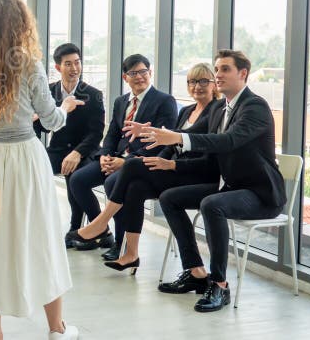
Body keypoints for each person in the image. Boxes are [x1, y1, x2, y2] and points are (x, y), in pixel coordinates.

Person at [0, 0, 83, 340]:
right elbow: (52, 120)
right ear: (20, 25)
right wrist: (65, 104)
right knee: (41, 238)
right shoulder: (26, 63)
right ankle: (56, 328)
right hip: (24, 158)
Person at [138, 50, 286, 312]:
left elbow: (228, 141)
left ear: (243, 74)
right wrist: (160, 135)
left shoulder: (255, 107)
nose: (218, 74)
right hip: (230, 187)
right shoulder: (220, 108)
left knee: (211, 204)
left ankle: (219, 284)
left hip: (259, 193)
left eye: (225, 69)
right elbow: (190, 137)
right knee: (169, 198)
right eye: (216, 69)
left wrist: (175, 138)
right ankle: (195, 272)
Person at [71, 63, 222, 273]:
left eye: (203, 81)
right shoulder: (187, 110)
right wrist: (158, 162)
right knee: (135, 187)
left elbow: (191, 142)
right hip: (171, 167)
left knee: (132, 165)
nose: (197, 86)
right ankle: (130, 254)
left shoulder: (216, 110)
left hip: (192, 173)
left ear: (214, 85)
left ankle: (102, 222)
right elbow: (170, 144)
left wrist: (167, 163)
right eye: (192, 82)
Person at [68, 53, 178, 260]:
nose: (139, 77)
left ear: (150, 72)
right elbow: (111, 134)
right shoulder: (121, 102)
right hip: (115, 157)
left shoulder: (165, 101)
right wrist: (105, 156)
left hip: (140, 163)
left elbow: (161, 143)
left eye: (143, 72)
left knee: (112, 183)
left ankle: (121, 244)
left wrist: (126, 162)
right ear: (124, 77)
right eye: (133, 73)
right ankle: (101, 231)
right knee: (78, 180)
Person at [34, 43, 105, 247]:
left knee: (76, 177)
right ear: (58, 68)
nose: (74, 68)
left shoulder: (93, 94)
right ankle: (40, 225)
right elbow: (42, 127)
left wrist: (77, 153)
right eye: (68, 64)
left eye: (77, 63)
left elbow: (95, 133)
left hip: (84, 151)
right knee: (34, 171)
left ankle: (80, 228)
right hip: (57, 149)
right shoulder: (48, 92)